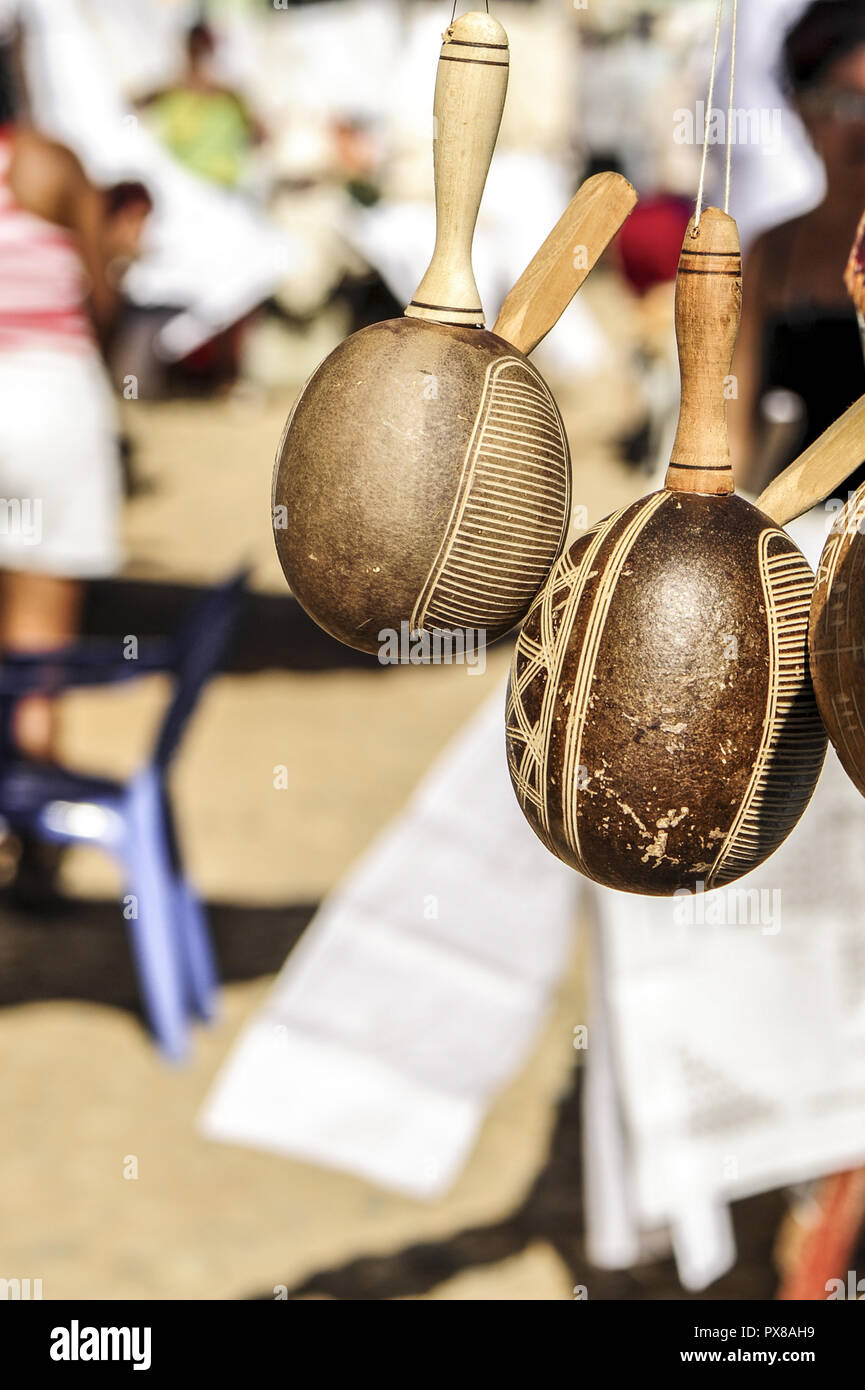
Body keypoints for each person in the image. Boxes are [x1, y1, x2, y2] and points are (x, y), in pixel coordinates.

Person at [0, 37, 150, 763]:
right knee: (38, 639)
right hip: (55, 399)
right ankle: (27, 809)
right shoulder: (50, 162)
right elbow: (102, 299)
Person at [730, 0, 865, 495]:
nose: (861, 129)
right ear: (803, 110)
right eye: (845, 104)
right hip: (796, 544)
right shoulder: (774, 254)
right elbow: (733, 429)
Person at [137, 22, 261, 191]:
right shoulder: (167, 93)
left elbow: (259, 136)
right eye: (198, 49)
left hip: (222, 188)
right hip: (179, 187)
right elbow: (127, 112)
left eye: (205, 49)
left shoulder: (232, 98)